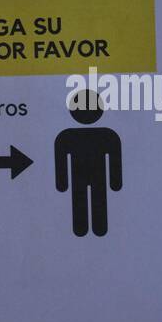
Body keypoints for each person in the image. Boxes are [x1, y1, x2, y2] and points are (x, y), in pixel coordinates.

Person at [55, 89, 123, 236]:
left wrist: (62, 184)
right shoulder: (107, 135)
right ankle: (89, 228)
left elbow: (114, 160)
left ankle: (91, 228)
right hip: (88, 177)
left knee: (93, 200)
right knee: (86, 201)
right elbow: (114, 162)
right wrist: (115, 182)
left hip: (88, 177)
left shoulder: (67, 136)